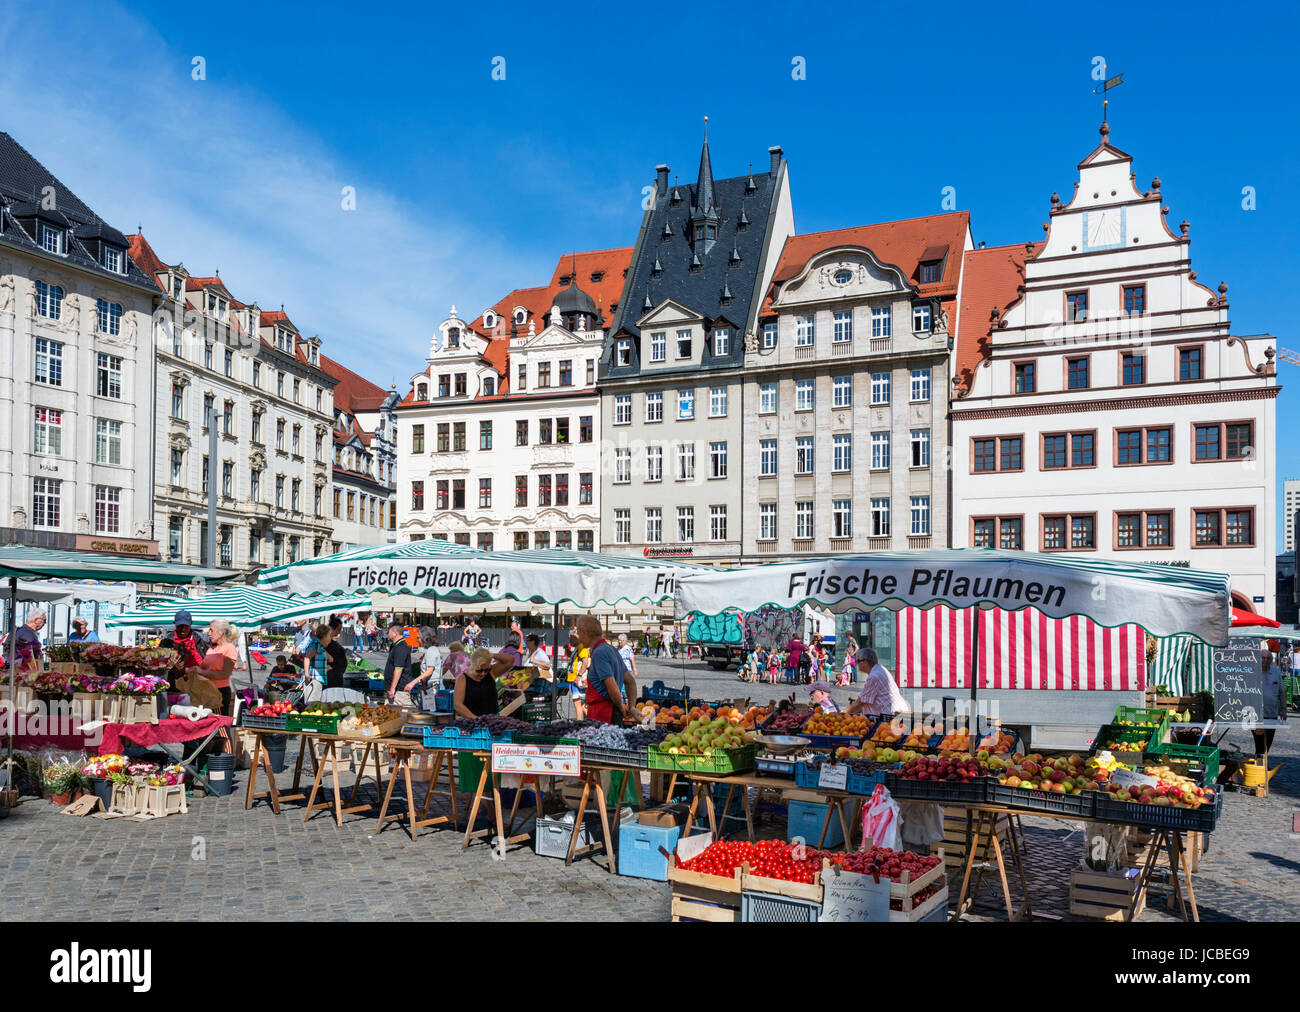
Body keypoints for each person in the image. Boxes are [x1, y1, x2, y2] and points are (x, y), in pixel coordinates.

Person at [577, 615, 626, 725]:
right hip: (607, 712)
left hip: (603, 714)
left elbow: (612, 687)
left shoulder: (599, 653)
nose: (579, 638)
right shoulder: (612, 649)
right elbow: (630, 681)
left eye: (579, 633)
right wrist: (631, 706)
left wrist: (621, 707)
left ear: (585, 632)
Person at [190, 618, 239, 715]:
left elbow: (224, 674)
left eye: (211, 630)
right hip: (207, 692)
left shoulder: (229, 648)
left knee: (219, 725)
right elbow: (202, 668)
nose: (208, 633)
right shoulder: (212, 649)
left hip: (218, 693)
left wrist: (201, 672)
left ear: (221, 632)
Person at [845, 647, 907, 720]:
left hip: (890, 715)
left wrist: (844, 713)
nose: (857, 664)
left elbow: (861, 701)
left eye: (858, 661)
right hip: (893, 712)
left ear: (865, 662)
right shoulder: (880, 669)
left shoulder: (874, 676)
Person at [454, 646, 499, 718]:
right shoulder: (462, 679)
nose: (483, 673)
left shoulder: (491, 673)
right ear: (473, 666)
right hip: (472, 722)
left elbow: (509, 660)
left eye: (486, 670)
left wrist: (490, 655)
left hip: (493, 720)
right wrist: (476, 720)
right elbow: (457, 704)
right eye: (479, 670)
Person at [168, 610, 205, 689]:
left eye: (186, 626)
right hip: (174, 685)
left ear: (191, 623)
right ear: (174, 623)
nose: (183, 629)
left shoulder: (201, 639)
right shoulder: (167, 641)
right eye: (180, 626)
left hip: (198, 684)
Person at [384, 622, 414, 706]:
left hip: (399, 691)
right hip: (395, 691)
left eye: (389, 631)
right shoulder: (396, 646)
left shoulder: (401, 647)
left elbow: (398, 669)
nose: (387, 634)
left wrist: (393, 688)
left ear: (395, 633)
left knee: (403, 715)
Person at [300, 623, 331, 705]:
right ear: (324, 636)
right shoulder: (317, 644)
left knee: (310, 704)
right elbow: (307, 658)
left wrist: (325, 667)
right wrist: (306, 674)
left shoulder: (318, 645)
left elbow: (315, 660)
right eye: (329, 636)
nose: (330, 638)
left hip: (315, 678)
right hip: (314, 679)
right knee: (313, 704)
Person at [567, 632, 588, 720]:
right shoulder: (577, 648)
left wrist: (579, 675)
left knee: (578, 703)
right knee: (580, 704)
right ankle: (588, 722)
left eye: (572, 638)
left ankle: (580, 723)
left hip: (578, 679)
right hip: (574, 679)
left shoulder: (582, 648)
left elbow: (585, 662)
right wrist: (566, 650)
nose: (570, 640)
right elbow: (573, 659)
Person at [325, 616, 348, 690]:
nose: (339, 632)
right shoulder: (324, 644)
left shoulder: (335, 645)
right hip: (330, 680)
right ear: (331, 629)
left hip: (335, 679)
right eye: (339, 629)